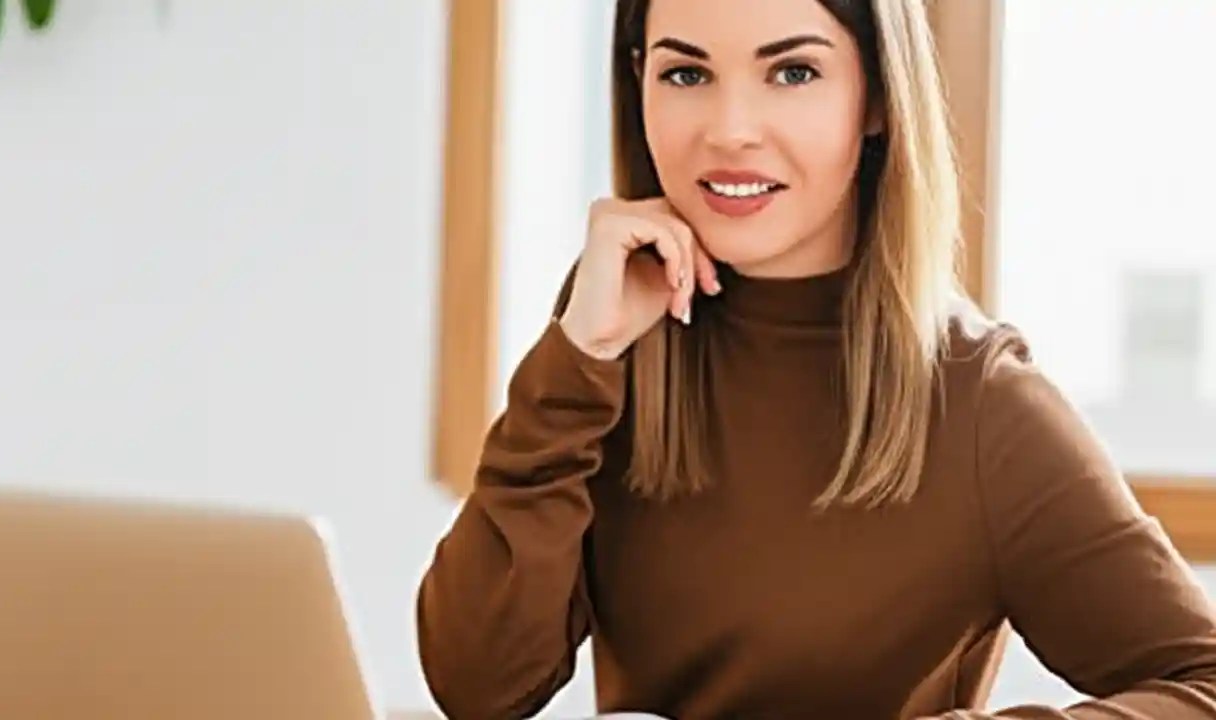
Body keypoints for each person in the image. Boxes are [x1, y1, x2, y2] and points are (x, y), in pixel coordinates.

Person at [416, 0, 1216, 717]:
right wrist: (576, 359)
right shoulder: (611, 334)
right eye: (686, 72)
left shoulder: (978, 401)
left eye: (792, 71)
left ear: (874, 97)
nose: (729, 128)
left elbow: (1202, 682)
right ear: (640, 84)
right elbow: (479, 686)